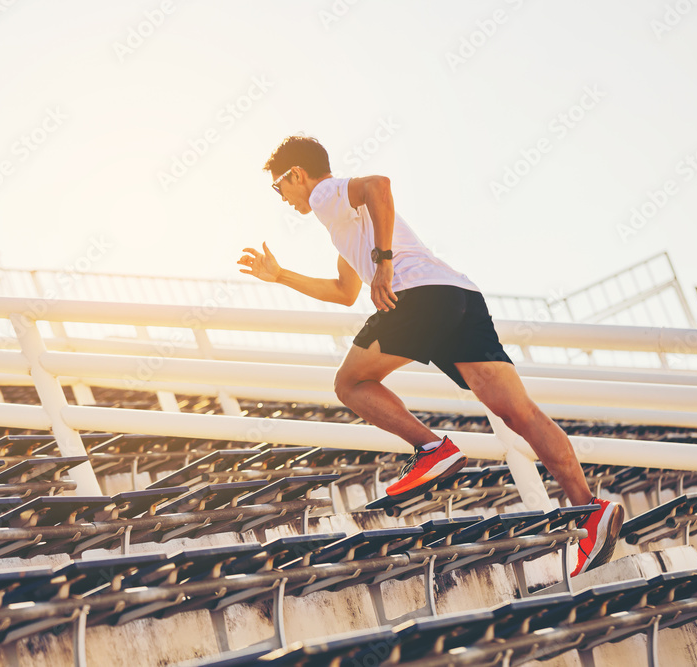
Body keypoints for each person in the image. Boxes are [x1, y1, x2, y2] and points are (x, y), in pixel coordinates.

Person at [237, 135, 623, 576]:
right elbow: (344, 292)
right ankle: (590, 510)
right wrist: (281, 275)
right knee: (520, 413)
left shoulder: (326, 194)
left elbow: (379, 184)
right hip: (459, 295)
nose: (281, 198)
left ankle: (431, 448)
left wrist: (383, 263)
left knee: (349, 384)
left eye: (278, 187)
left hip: (417, 294)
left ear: (297, 175)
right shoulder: (343, 222)